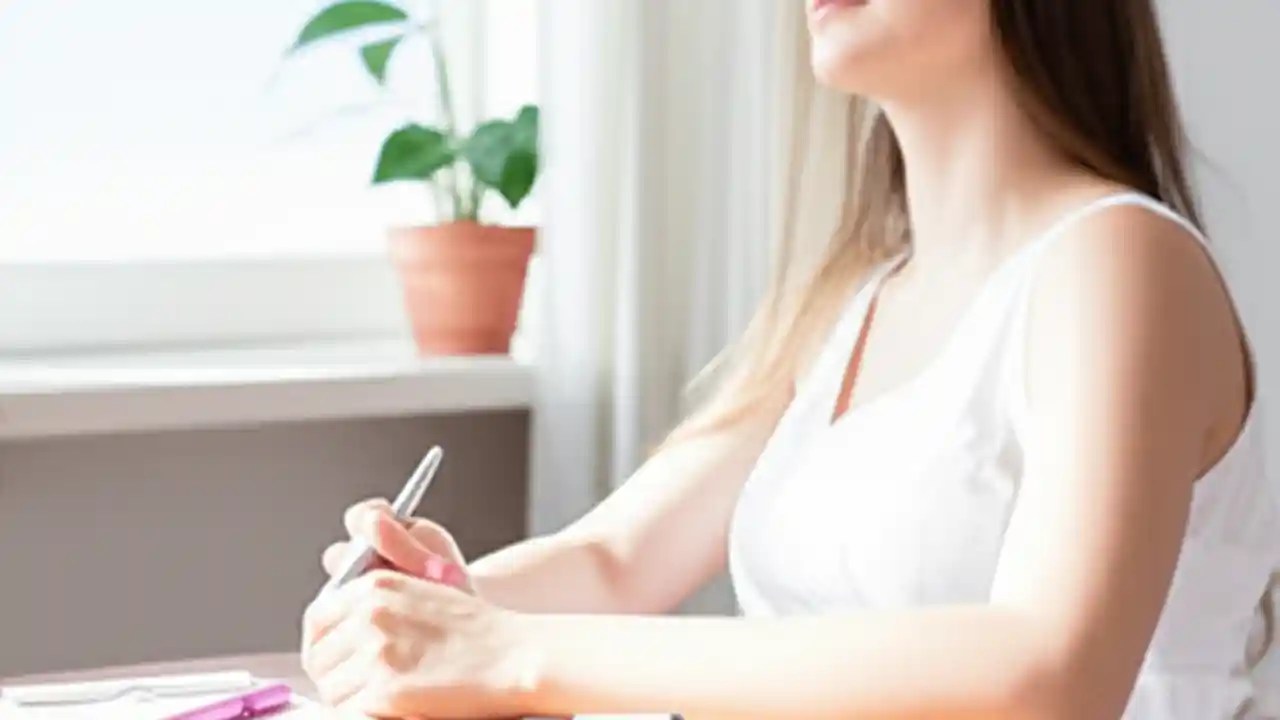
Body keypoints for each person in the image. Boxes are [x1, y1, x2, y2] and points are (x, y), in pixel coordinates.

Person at [300, 1, 1279, 717]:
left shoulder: (1118, 261)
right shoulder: (850, 300)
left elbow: (1045, 673)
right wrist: (427, 599)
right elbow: (614, 560)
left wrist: (512, 653)